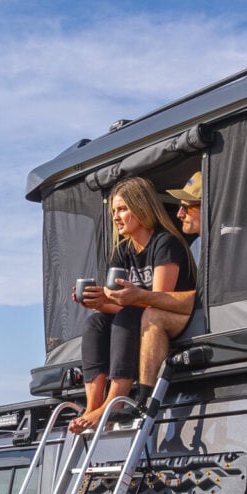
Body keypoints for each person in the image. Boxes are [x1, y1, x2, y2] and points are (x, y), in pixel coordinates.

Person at [68, 173, 200, 434]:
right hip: (141, 314)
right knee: (96, 322)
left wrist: (122, 300)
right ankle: (94, 404)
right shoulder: (122, 250)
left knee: (129, 316)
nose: (116, 217)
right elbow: (120, 304)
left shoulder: (166, 243)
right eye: (114, 211)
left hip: (172, 315)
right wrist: (99, 302)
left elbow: (159, 300)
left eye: (122, 209)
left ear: (141, 208)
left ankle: (115, 399)